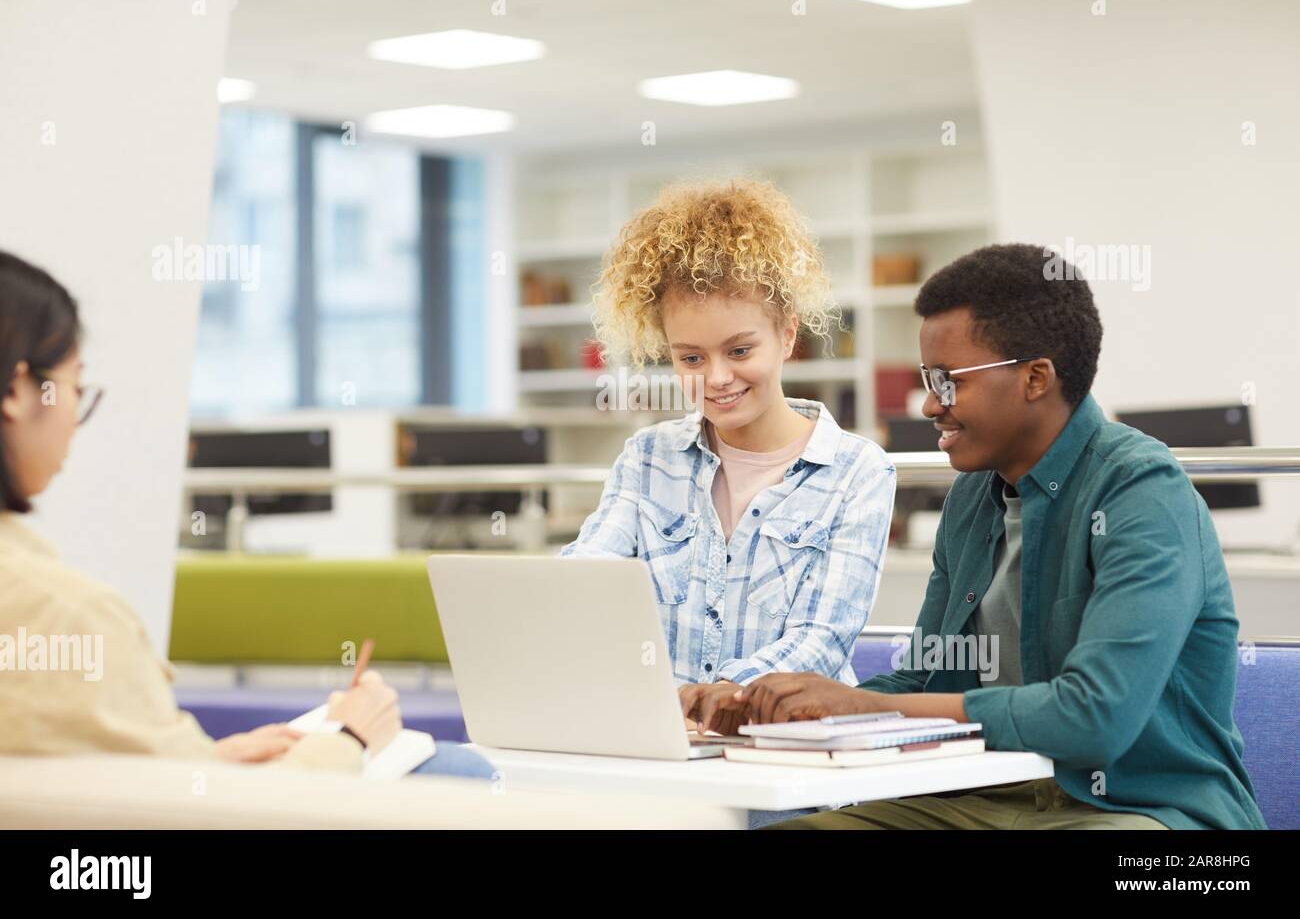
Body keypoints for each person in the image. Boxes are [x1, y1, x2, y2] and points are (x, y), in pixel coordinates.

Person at [737, 243, 1265, 830]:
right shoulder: (972, 496)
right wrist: (767, 704)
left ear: (1036, 377)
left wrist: (869, 705)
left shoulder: (1142, 491)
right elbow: (926, 675)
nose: (932, 404)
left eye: (948, 380)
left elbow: (1094, 718)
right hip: (977, 798)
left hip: (1143, 812)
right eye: (926, 379)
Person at [0, 249, 492, 781]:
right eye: (76, 388)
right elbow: (216, 818)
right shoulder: (67, 617)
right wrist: (350, 737)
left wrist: (208, 758)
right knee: (458, 771)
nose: (76, 418)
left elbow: (116, 771)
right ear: (16, 391)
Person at [560, 179, 896, 733]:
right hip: (665, 745)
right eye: (691, 358)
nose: (716, 378)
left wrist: (709, 699)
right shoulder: (648, 459)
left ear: (787, 335)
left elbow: (821, 640)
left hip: (789, 752)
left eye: (740, 350)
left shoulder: (857, 472)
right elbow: (585, 582)